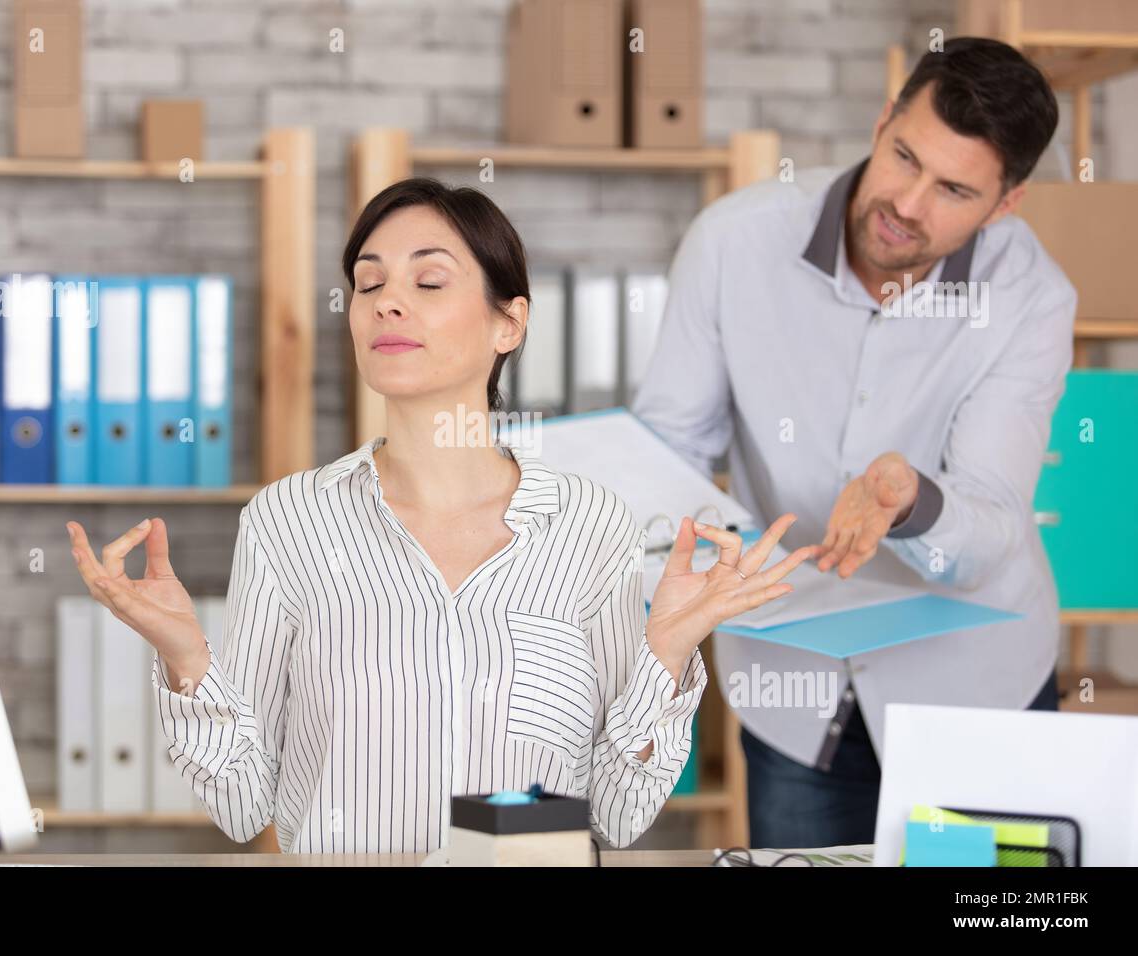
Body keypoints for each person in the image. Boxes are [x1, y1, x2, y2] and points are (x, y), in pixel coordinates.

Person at [67, 178, 816, 853]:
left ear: (508, 323)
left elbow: (617, 817)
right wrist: (187, 659)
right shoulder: (289, 521)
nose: (388, 302)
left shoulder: (592, 526)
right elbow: (242, 806)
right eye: (369, 284)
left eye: (429, 281)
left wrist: (670, 648)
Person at [633, 37, 1074, 849]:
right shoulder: (732, 244)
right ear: (881, 122)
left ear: (1004, 204)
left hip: (976, 693)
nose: (907, 203)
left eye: (953, 189)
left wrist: (909, 500)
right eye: (903, 156)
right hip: (793, 690)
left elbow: (987, 529)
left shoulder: (1032, 300)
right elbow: (672, 448)